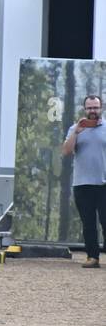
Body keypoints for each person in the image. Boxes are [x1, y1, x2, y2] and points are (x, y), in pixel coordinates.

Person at [61, 94, 106, 268]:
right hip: (82, 184)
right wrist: (76, 132)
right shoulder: (75, 128)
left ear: (101, 108)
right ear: (84, 109)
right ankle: (92, 257)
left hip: (103, 184)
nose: (92, 111)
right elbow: (66, 151)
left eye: (95, 107)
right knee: (88, 224)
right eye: (89, 108)